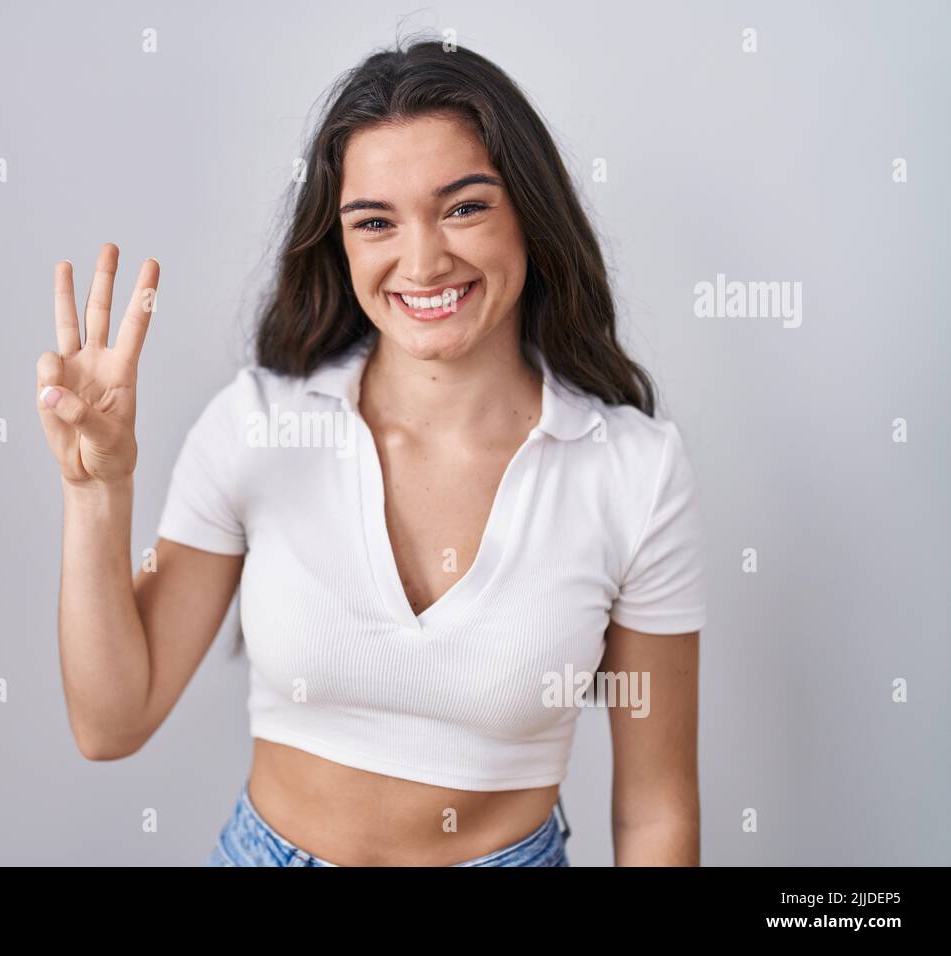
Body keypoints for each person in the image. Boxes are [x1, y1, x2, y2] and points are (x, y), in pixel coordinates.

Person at [35, 38, 707, 867]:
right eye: (376, 222)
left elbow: (656, 812)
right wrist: (96, 492)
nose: (422, 261)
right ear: (341, 243)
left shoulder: (633, 469)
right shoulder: (259, 425)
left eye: (464, 207)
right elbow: (111, 722)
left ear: (530, 215)